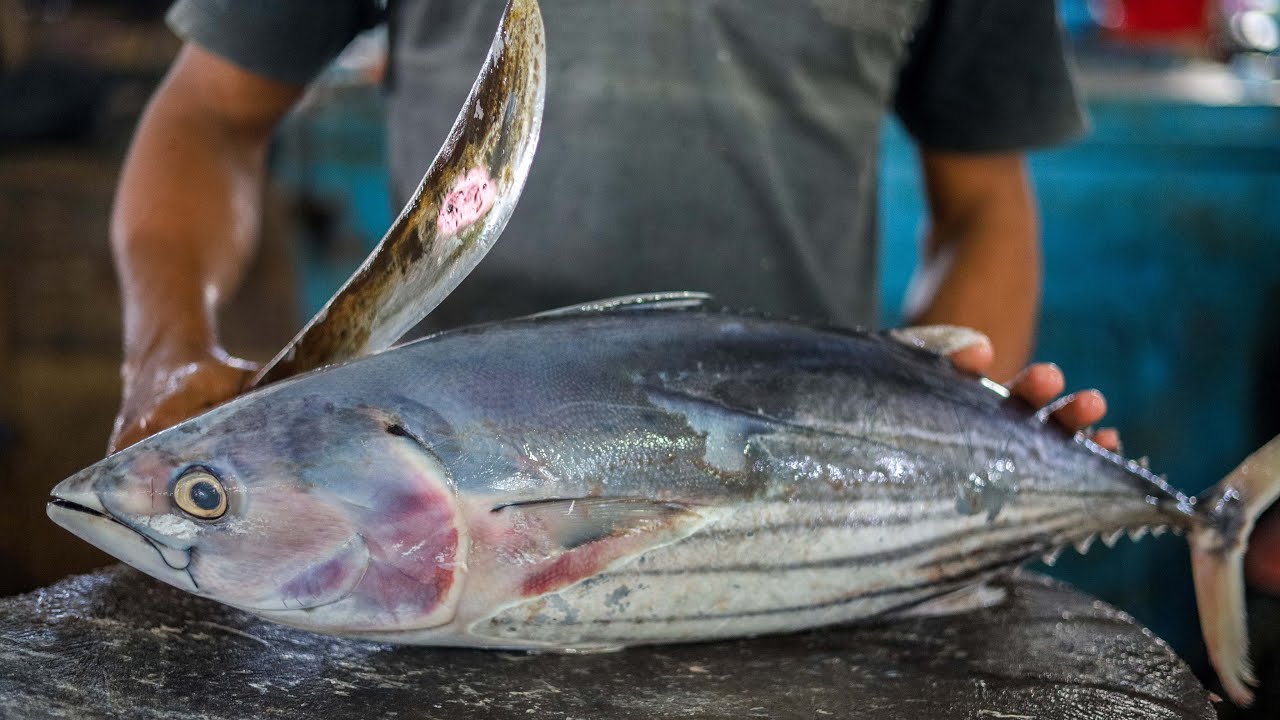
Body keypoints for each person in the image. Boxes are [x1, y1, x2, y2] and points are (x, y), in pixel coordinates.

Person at [108, 0, 1117, 453]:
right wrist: (166, 351)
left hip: (781, 472)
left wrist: (944, 441)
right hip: (444, 484)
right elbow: (209, 114)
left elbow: (981, 203)